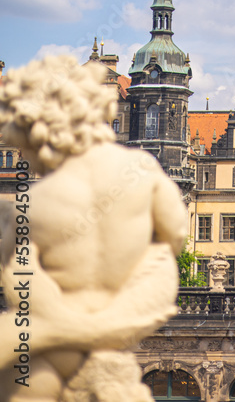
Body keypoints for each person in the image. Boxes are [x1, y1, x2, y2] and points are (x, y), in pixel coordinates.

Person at [0, 57, 188, 401]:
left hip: (47, 352)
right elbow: (174, 237)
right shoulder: (142, 169)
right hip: (114, 342)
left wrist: (59, 325)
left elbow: (17, 281)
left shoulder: (33, 202)